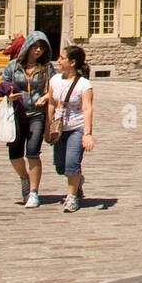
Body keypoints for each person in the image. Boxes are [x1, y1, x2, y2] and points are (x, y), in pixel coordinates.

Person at [0, 31, 52, 207]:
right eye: (35, 47)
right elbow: (2, 85)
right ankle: (24, 179)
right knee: (14, 154)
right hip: (16, 113)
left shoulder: (47, 68)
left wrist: (45, 98)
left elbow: (54, 88)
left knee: (33, 151)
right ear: (27, 46)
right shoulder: (13, 66)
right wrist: (8, 94)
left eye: (41, 48)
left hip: (37, 113)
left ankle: (34, 192)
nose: (38, 51)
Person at [49, 45, 94, 213]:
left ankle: (72, 197)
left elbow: (87, 108)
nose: (58, 61)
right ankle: (77, 180)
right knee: (60, 167)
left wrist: (87, 134)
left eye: (62, 58)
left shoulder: (84, 84)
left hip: (77, 128)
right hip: (60, 128)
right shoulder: (54, 80)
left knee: (71, 164)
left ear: (73, 62)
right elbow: (51, 104)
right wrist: (48, 126)